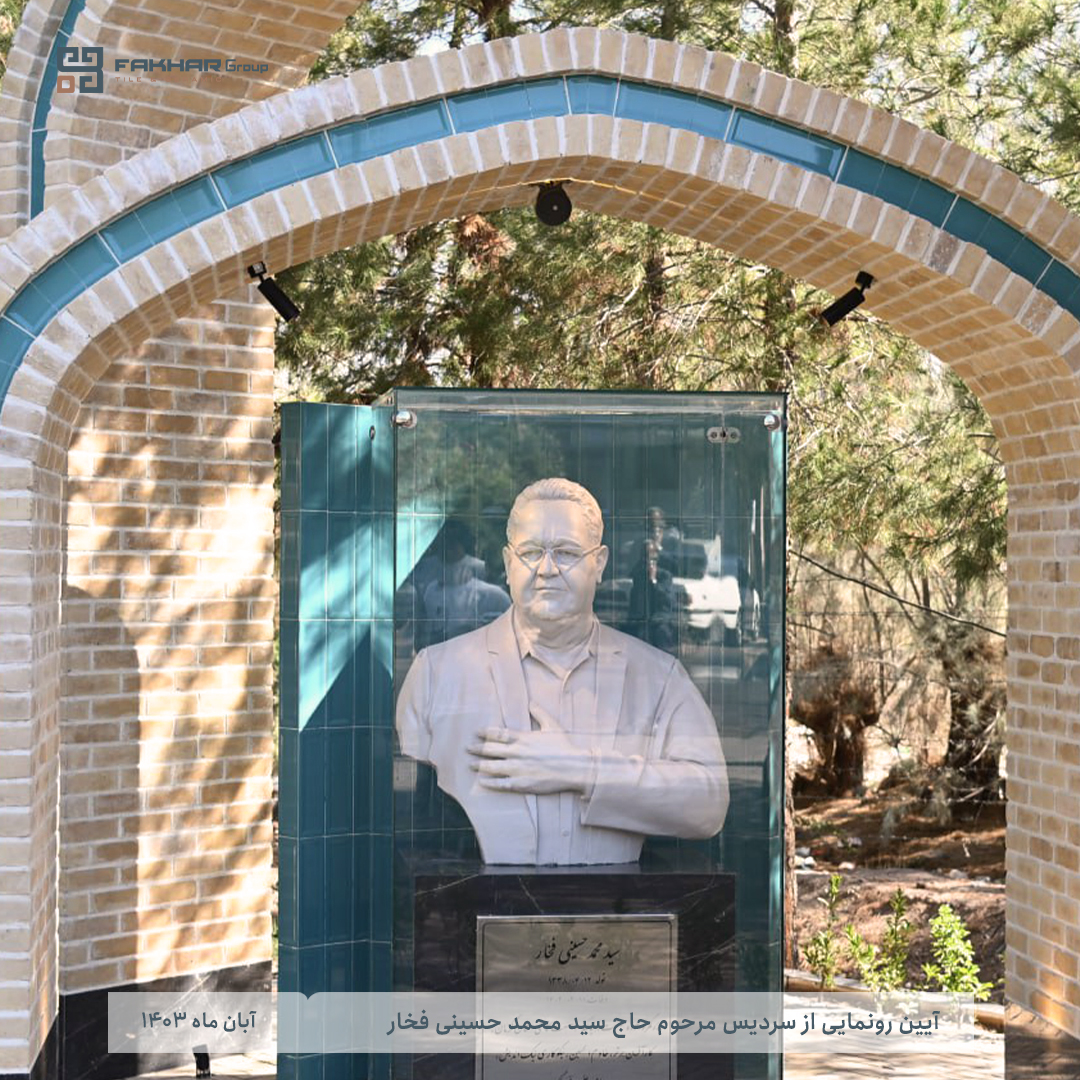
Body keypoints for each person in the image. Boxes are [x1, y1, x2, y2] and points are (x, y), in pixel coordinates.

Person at [395, 478, 729, 865]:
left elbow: (708, 804)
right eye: (531, 552)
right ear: (507, 564)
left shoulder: (658, 678)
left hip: (614, 907)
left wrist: (581, 768)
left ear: (599, 563)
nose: (547, 569)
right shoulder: (436, 675)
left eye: (567, 552)